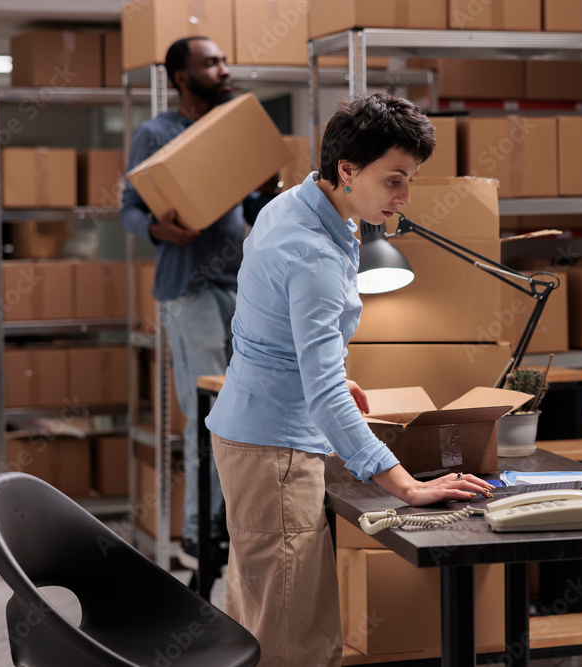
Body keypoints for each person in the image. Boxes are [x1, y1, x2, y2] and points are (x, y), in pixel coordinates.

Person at [206, 92, 494, 666]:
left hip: (254, 434)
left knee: (258, 620)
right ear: (347, 170)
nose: (404, 198)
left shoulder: (295, 203)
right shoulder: (311, 252)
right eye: (394, 181)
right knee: (296, 643)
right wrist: (409, 489)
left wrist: (323, 371)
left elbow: (265, 328)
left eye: (410, 180)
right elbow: (322, 391)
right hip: (275, 452)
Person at [121, 36, 244, 569]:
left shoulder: (231, 130)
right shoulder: (155, 133)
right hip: (188, 288)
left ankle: (229, 522)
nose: (223, 69)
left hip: (241, 284)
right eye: (210, 63)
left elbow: (251, 202)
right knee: (210, 415)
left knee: (244, 413)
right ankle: (199, 534)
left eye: (222, 61)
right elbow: (127, 210)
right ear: (180, 76)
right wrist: (157, 228)